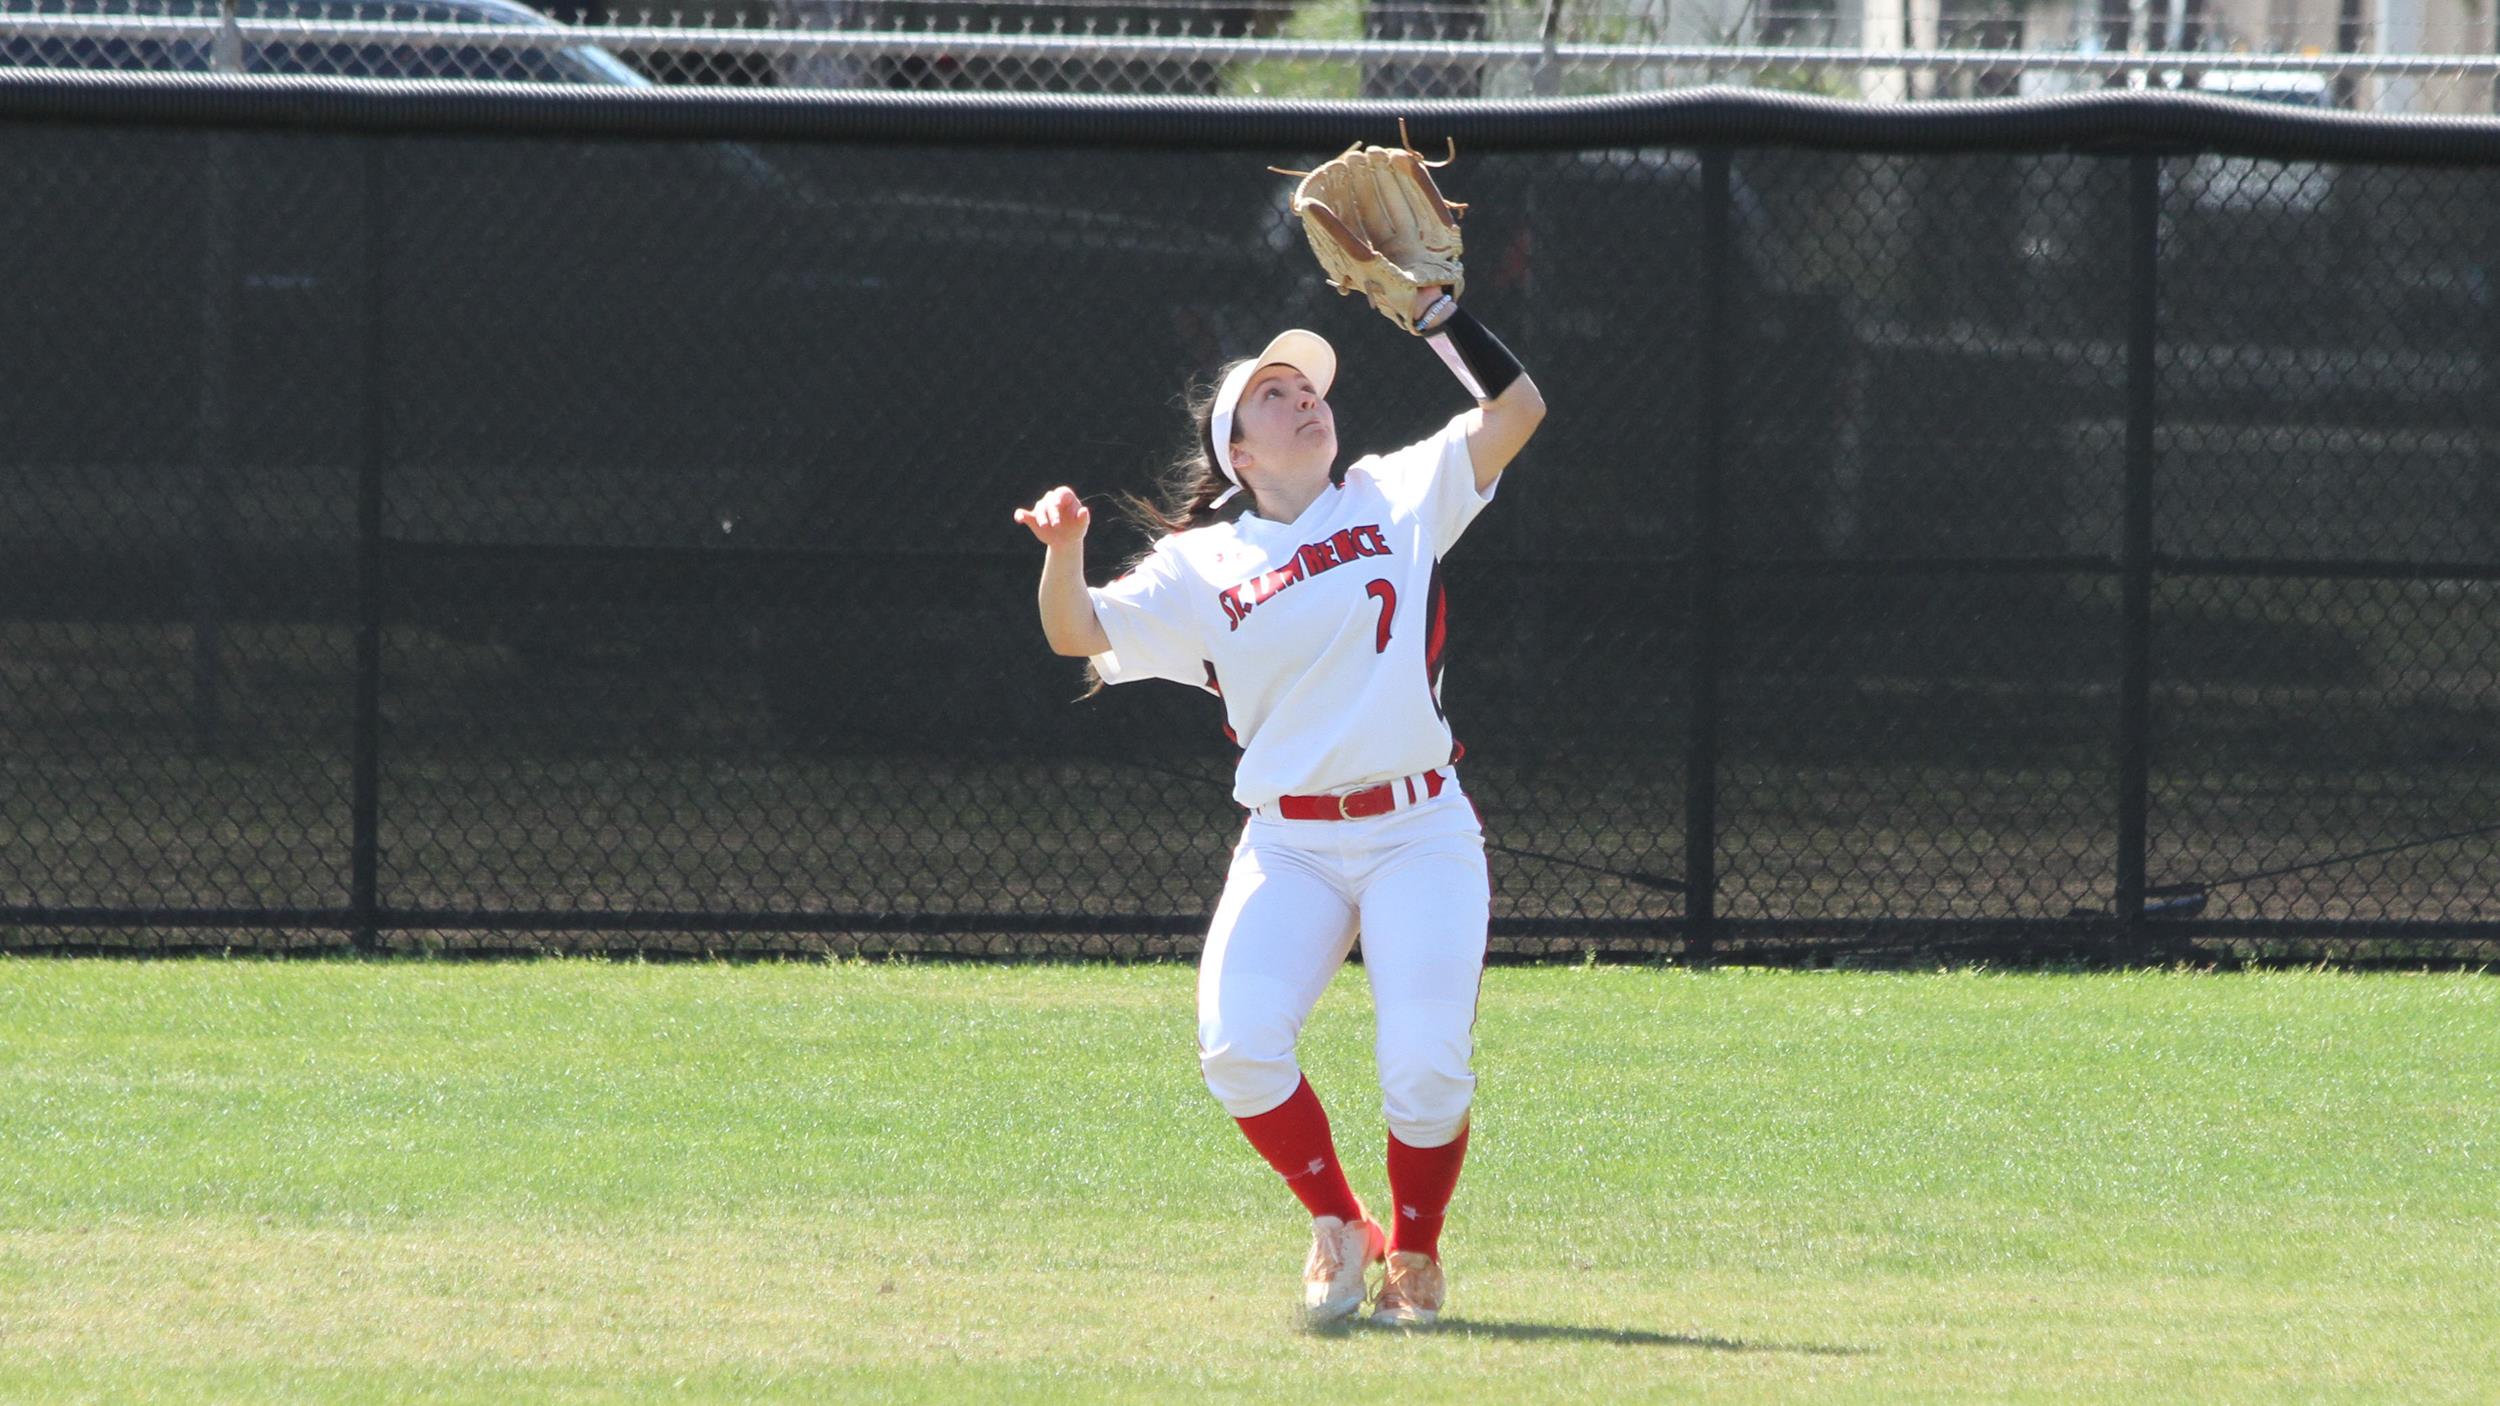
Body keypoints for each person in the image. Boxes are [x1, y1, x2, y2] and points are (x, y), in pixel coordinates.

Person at [1013, 285, 1544, 1327]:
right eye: (1272, 394)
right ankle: (1341, 1224)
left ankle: (1418, 1252)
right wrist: (1063, 548)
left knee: (1424, 1066)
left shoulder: (1396, 492)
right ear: (1239, 454)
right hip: (1292, 841)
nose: (1303, 399)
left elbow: (1516, 410)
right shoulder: (1202, 567)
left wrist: (1441, 317)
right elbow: (1074, 632)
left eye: (1308, 387)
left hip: (1417, 830)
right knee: (1238, 1042)